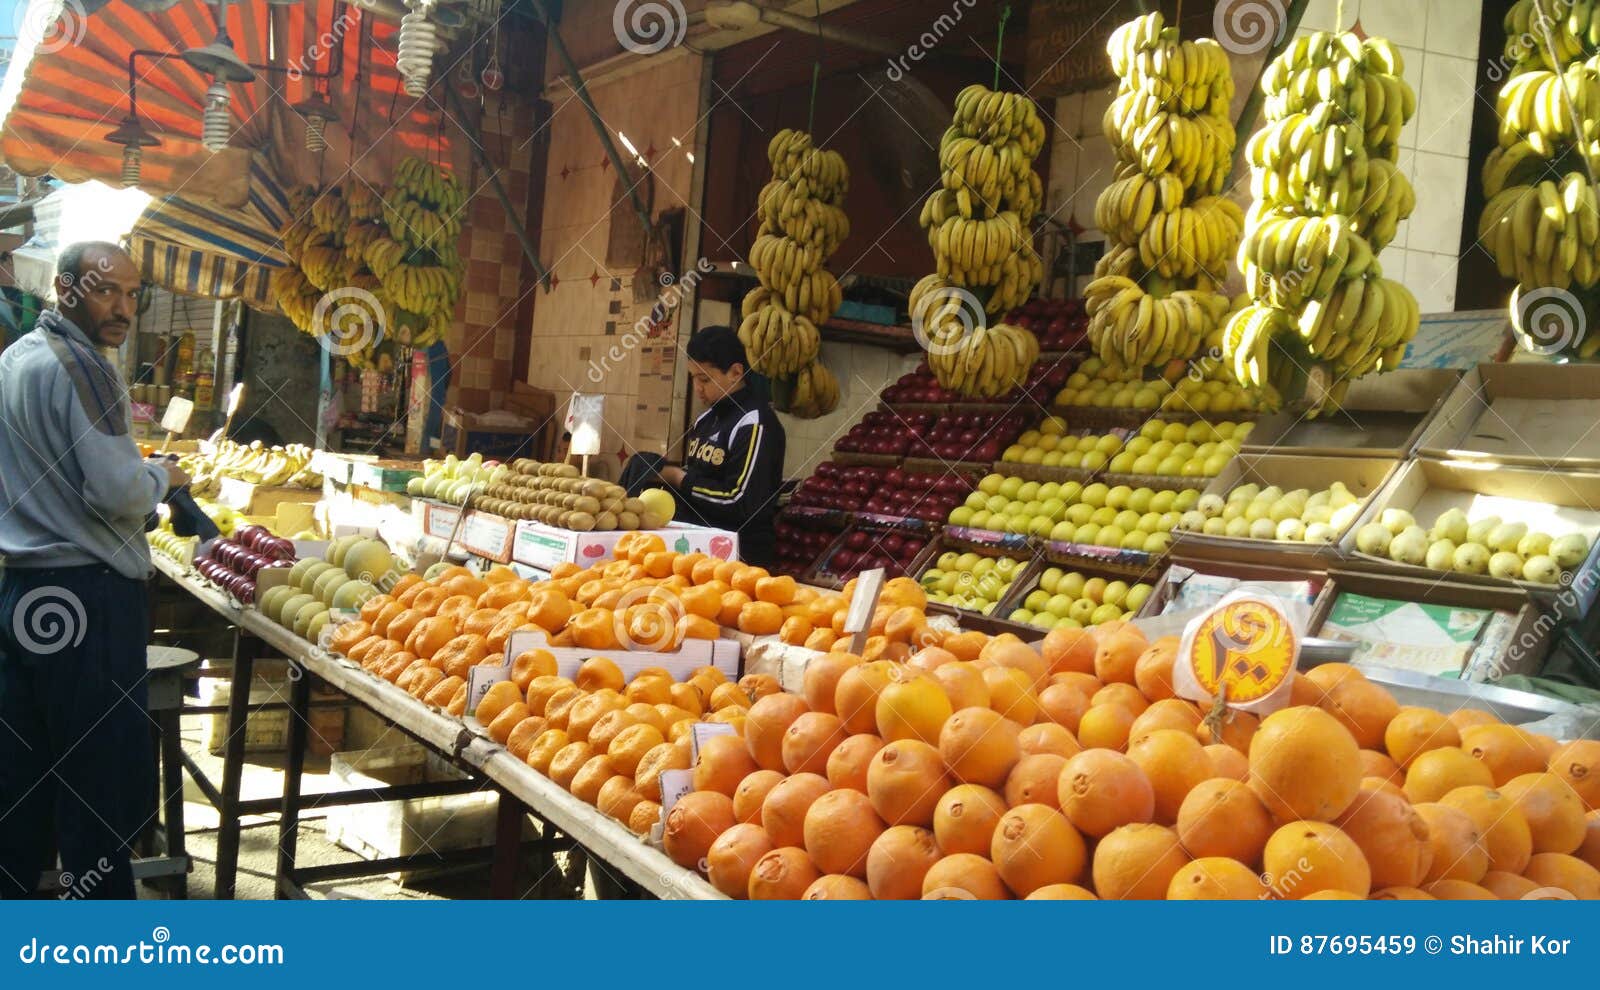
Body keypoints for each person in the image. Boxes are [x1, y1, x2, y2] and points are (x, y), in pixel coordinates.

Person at [0, 241, 188, 899]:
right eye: (107, 291)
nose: (124, 308)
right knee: (99, 793)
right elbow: (116, 492)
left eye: (134, 294)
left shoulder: (15, 359)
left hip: (25, 592)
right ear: (66, 288)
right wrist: (164, 477)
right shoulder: (85, 367)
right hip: (89, 600)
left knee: (20, 786)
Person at [621, 326, 785, 567]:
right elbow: (698, 476)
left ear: (736, 373)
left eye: (704, 379)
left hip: (741, 558)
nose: (697, 387)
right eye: (693, 377)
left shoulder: (755, 423)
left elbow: (739, 501)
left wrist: (678, 477)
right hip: (696, 549)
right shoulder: (705, 420)